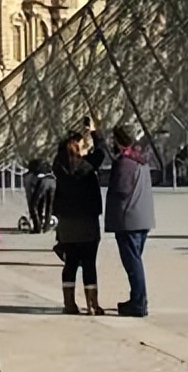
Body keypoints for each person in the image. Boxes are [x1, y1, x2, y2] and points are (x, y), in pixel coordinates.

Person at [53, 122, 106, 316]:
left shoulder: (59, 168)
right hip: (87, 222)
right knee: (89, 263)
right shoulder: (86, 167)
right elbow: (101, 153)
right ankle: (92, 305)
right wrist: (94, 132)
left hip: (67, 223)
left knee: (70, 264)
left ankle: (69, 303)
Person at [106, 125, 154, 318]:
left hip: (128, 219)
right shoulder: (141, 160)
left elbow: (121, 189)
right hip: (143, 218)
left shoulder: (124, 163)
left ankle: (138, 302)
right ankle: (137, 299)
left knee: (133, 263)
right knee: (136, 260)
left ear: (118, 141)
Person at [24, 158, 56, 232]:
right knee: (48, 206)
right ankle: (46, 227)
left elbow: (30, 189)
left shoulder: (31, 173)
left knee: (33, 206)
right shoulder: (47, 168)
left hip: (43, 182)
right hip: (53, 181)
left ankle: (37, 227)